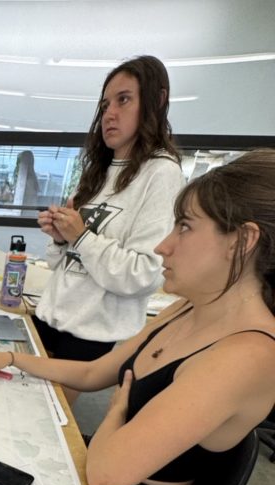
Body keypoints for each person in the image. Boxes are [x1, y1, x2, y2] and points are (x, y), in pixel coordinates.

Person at [0, 149, 275, 485]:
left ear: (242, 241)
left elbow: (106, 472)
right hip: (101, 466)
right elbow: (97, 372)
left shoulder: (249, 354)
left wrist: (117, 409)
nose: (164, 246)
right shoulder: (187, 307)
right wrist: (14, 358)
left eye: (184, 228)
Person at [34, 55, 185, 375]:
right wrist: (61, 240)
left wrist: (81, 236)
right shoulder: (99, 172)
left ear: (156, 102)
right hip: (50, 317)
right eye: (104, 105)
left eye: (124, 100)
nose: (109, 114)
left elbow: (146, 274)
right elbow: (60, 264)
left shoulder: (162, 173)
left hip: (89, 334)